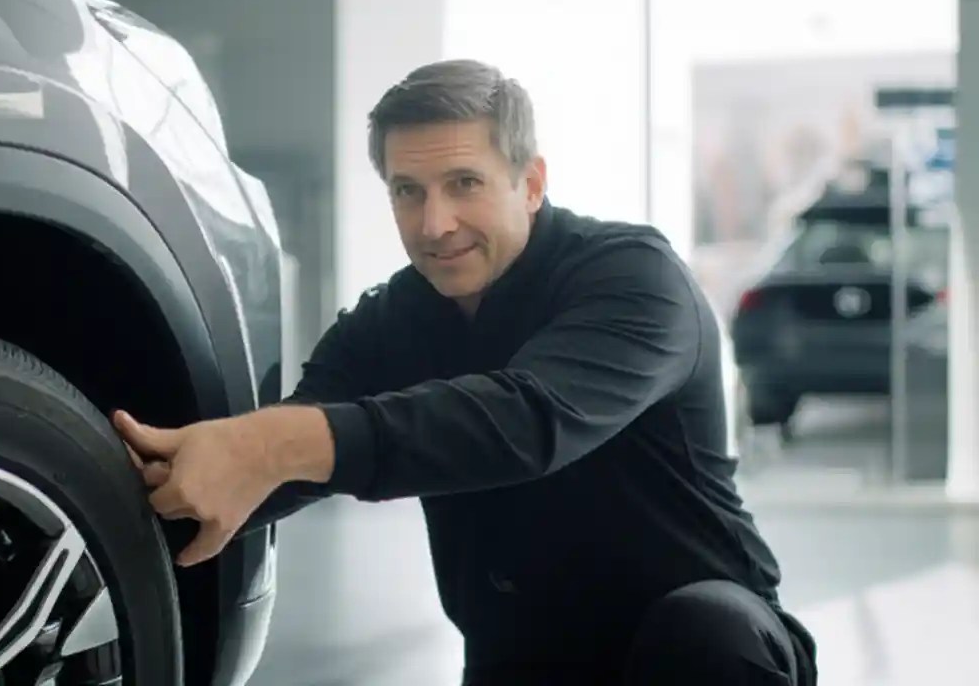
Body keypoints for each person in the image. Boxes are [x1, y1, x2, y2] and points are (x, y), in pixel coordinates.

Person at [112, 59, 818, 685]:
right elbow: (292, 452)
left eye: (464, 184)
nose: (435, 223)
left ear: (531, 181)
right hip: (524, 659)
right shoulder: (390, 320)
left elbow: (526, 420)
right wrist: (142, 477)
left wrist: (268, 445)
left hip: (701, 652)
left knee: (706, 631)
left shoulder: (634, 278)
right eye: (407, 191)